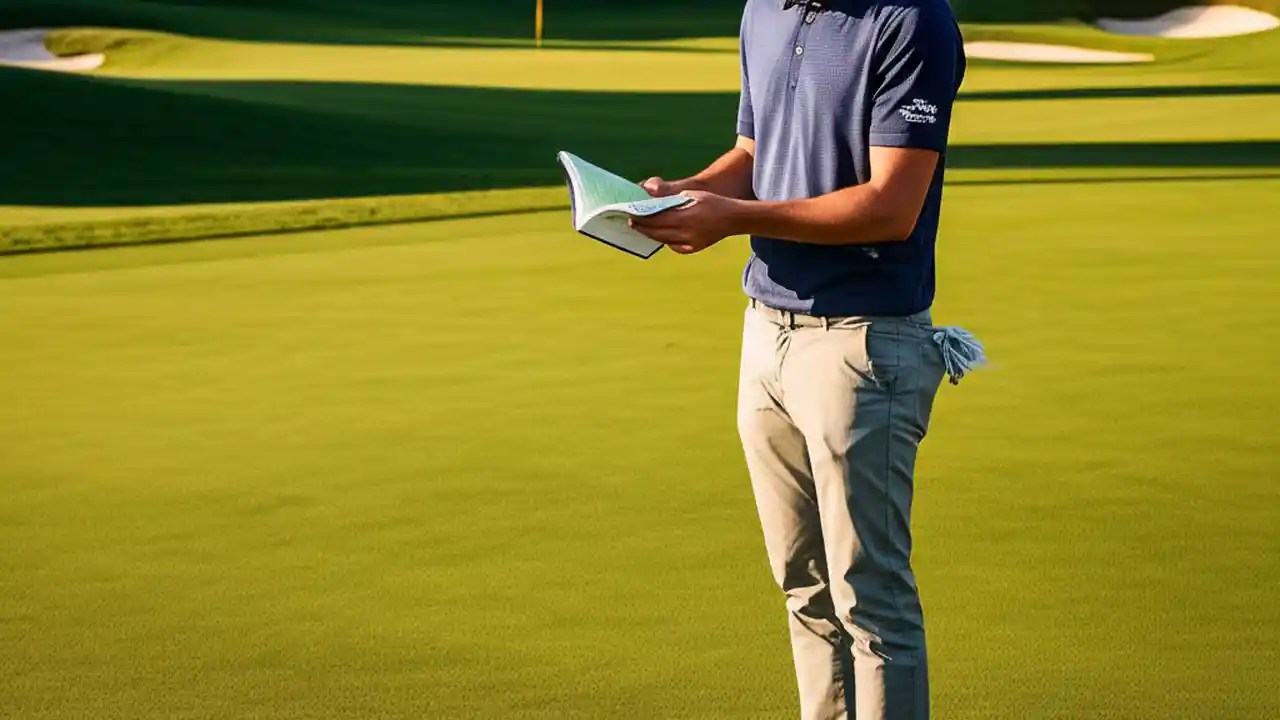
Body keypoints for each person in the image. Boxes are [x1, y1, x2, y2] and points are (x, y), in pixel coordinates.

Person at [631, 1, 982, 718]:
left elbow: (892, 206)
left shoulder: (911, 20)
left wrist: (733, 219)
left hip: (863, 343)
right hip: (766, 335)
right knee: (805, 590)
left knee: (872, 602)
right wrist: (686, 196)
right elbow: (753, 155)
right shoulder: (763, 10)